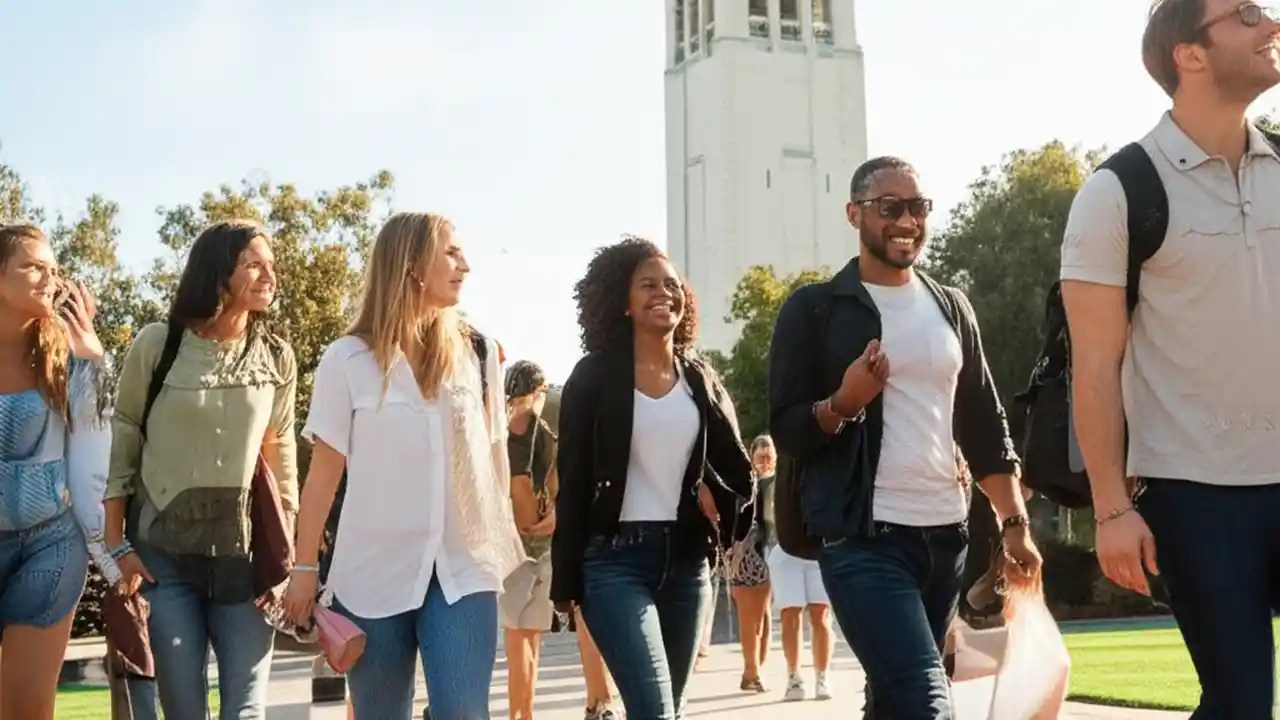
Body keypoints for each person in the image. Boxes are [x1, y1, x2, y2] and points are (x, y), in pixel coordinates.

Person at [1061, 2, 1280, 714]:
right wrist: (1111, 508)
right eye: (1246, 15)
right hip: (1196, 494)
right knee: (1242, 702)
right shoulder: (1119, 192)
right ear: (1190, 54)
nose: (1271, 24)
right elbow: (1094, 367)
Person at [768, 157, 1042, 719]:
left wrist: (1014, 525)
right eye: (889, 207)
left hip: (946, 536)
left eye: (918, 207)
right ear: (855, 213)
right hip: (861, 537)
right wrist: (844, 403)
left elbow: (983, 424)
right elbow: (788, 430)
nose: (906, 221)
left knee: (894, 700)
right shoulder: (815, 309)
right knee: (925, 697)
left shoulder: (951, 307)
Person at [284, 211, 524, 719]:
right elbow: (323, 475)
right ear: (412, 264)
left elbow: (495, 457)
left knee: (463, 712)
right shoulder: (346, 360)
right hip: (370, 575)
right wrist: (304, 569)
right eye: (451, 253)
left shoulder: (477, 352)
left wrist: (501, 543)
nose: (466, 265)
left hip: (463, 567)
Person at [551, 237, 755, 720]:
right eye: (647, 285)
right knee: (655, 711)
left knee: (670, 709)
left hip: (687, 564)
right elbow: (573, 481)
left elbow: (740, 468)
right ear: (622, 301)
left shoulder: (699, 378)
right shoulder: (593, 377)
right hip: (613, 563)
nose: (664, 292)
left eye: (672, 284)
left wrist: (710, 488)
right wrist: (565, 581)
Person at [106, 219, 298, 720]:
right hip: (162, 560)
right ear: (218, 274)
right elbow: (125, 434)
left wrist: (288, 555)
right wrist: (116, 543)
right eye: (253, 264)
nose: (267, 275)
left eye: (270, 265)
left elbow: (281, 455)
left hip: (246, 560)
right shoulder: (157, 345)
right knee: (184, 710)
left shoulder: (276, 356)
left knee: (246, 710)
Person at [0, 222, 116, 720]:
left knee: (26, 709)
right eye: (33, 267)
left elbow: (100, 439)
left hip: (49, 542)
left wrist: (92, 354)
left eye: (53, 268)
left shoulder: (66, 354)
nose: (50, 278)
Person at [751, 434, 834, 703]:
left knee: (821, 614)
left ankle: (822, 676)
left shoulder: (820, 470)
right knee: (791, 614)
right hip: (783, 550)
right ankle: (794, 677)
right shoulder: (768, 483)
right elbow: (759, 518)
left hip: (817, 551)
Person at [500, 359, 558, 720]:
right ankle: (521, 715)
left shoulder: (542, 435)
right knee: (522, 635)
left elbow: (551, 484)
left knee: (526, 634)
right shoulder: (503, 434)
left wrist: (555, 515)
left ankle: (524, 714)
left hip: (536, 543)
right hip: (515, 545)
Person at [726, 435, 774, 693]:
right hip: (746, 551)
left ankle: (755, 668)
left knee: (764, 616)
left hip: (771, 550)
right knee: (749, 614)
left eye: (769, 457)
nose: (765, 462)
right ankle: (751, 671)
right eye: (761, 457)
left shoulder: (778, 483)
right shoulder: (746, 482)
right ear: (752, 456)